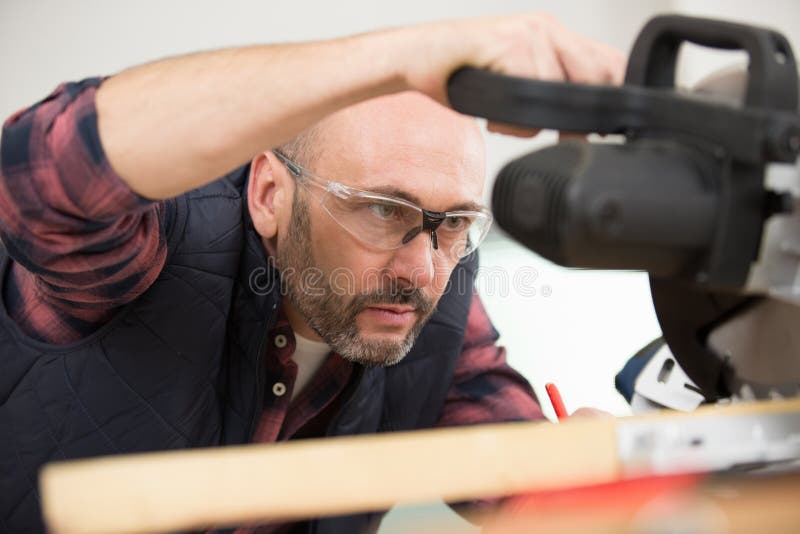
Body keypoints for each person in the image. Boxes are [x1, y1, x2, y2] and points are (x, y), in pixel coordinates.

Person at [0, 13, 624, 533]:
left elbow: (511, 462)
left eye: (455, 220)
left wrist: (596, 479)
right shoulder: (164, 238)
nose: (419, 269)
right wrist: (405, 56)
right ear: (270, 193)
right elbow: (36, 175)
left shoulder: (441, 282)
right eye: (383, 209)